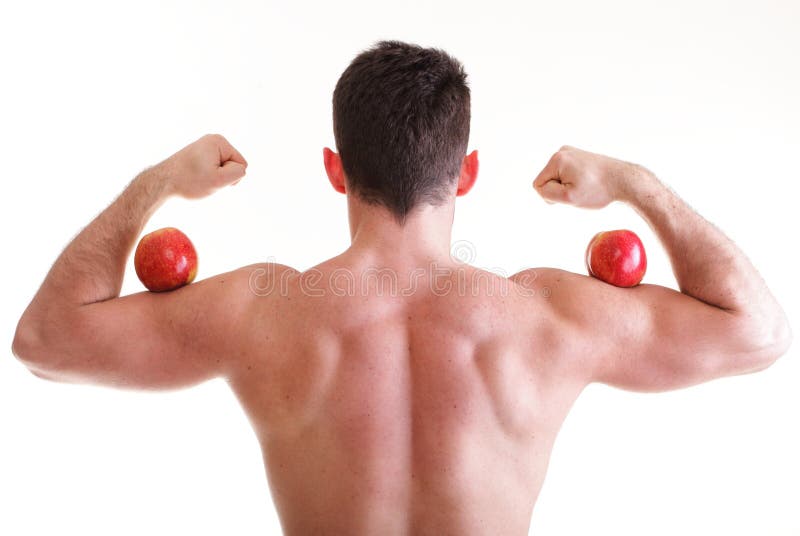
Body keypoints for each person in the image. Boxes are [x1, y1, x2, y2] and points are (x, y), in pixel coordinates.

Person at [11, 40, 792, 535]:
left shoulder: (260, 312)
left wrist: (156, 183)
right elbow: (757, 332)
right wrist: (634, 184)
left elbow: (46, 341)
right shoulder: (549, 317)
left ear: (336, 170)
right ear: (467, 172)